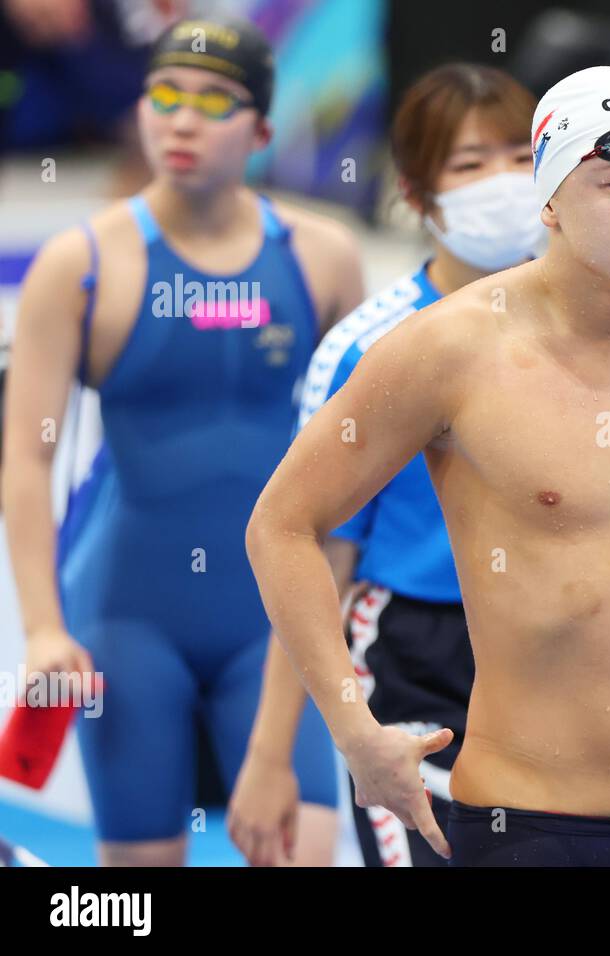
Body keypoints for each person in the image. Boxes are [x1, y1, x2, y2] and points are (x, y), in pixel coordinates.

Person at [246, 65, 610, 867]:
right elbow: (283, 525)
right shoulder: (449, 350)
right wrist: (353, 733)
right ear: (550, 204)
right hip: (527, 824)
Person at [2, 15, 363, 866]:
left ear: (264, 131)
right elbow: (26, 456)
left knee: (300, 851)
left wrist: (345, 603)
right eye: (165, 96)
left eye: (213, 102)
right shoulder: (82, 263)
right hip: (128, 613)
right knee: (140, 885)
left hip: (273, 618)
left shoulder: (324, 258)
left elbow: (359, 465)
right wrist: (44, 629)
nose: (183, 119)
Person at [228, 62, 543, 868]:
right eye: (470, 165)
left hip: (564, 654)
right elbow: (309, 553)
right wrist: (271, 759)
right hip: (419, 660)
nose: (502, 182)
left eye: (519, 155)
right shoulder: (368, 351)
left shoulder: (601, 320)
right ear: (417, 191)